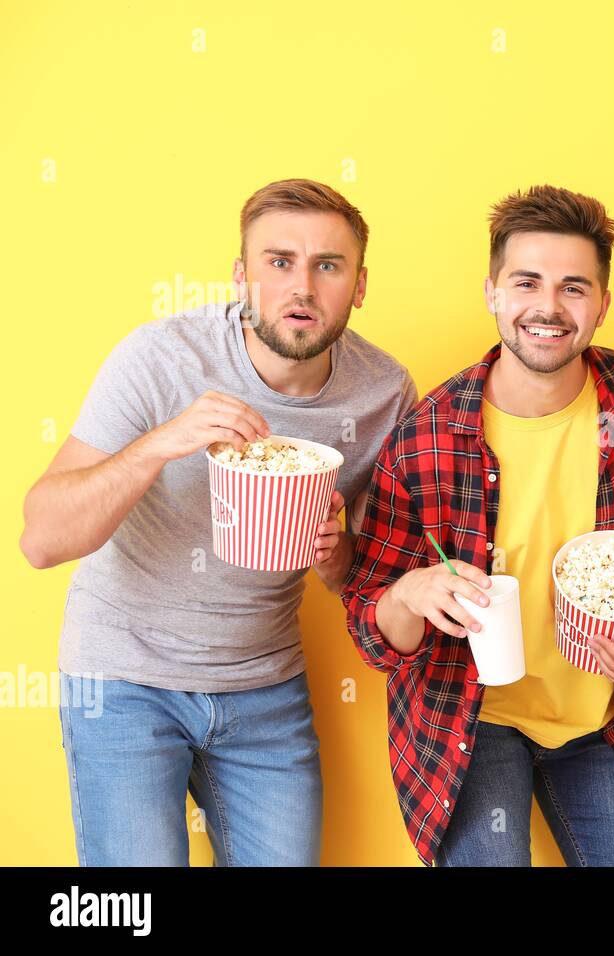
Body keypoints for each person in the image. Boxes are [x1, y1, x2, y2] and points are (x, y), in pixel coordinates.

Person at [20, 178, 417, 866]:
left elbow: (373, 581)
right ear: (241, 275)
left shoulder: (384, 392)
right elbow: (41, 539)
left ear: (358, 285)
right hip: (123, 682)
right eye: (277, 261)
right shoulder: (161, 357)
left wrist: (337, 557)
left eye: (328, 265)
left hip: (265, 687)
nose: (302, 287)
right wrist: (161, 442)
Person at [341, 185, 614, 867]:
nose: (548, 306)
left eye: (574, 287)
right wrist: (408, 595)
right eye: (527, 282)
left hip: (611, 719)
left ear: (602, 302)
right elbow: (371, 629)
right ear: (492, 292)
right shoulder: (426, 438)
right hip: (469, 723)